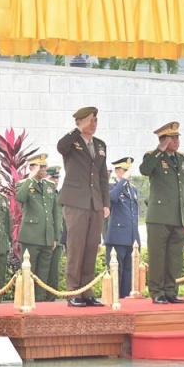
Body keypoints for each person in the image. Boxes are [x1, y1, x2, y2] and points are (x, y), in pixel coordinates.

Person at [56, 107, 110, 307]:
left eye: (96, 120)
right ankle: (73, 292)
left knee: (91, 249)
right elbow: (61, 147)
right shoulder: (72, 142)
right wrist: (78, 130)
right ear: (79, 121)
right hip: (76, 202)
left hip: (95, 203)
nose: (94, 124)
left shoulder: (100, 144)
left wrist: (105, 203)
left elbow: (103, 176)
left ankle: (87, 292)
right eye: (90, 120)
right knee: (76, 248)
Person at [140, 121, 184, 305]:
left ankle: (170, 290)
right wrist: (159, 149)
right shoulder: (153, 156)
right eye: (172, 138)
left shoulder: (181, 159)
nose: (176, 141)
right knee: (158, 257)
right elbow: (145, 170)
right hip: (159, 216)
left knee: (174, 257)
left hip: (177, 216)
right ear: (163, 140)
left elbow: (183, 188)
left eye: (177, 137)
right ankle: (157, 292)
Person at [15, 154, 60, 302]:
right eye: (41, 166)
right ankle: (26, 298)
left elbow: (55, 214)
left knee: (43, 272)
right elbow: (20, 198)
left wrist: (55, 238)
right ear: (33, 167)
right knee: (29, 270)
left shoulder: (50, 186)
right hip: (31, 236)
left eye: (44, 166)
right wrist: (30, 178)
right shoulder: (24, 184)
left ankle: (40, 299)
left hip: (47, 236)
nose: (44, 169)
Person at [105, 157, 140, 298]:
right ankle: (114, 298)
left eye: (129, 170)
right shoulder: (111, 186)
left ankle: (125, 297)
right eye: (125, 170)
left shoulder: (132, 189)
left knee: (128, 271)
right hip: (117, 236)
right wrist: (123, 180)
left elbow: (134, 213)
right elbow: (111, 199)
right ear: (117, 171)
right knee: (116, 270)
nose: (128, 173)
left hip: (131, 236)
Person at [45, 165, 64, 301]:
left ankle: (51, 300)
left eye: (57, 178)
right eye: (53, 177)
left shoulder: (57, 194)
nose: (55, 181)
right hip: (48, 239)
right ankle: (43, 299)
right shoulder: (46, 194)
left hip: (58, 239)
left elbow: (60, 219)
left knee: (54, 274)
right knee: (43, 272)